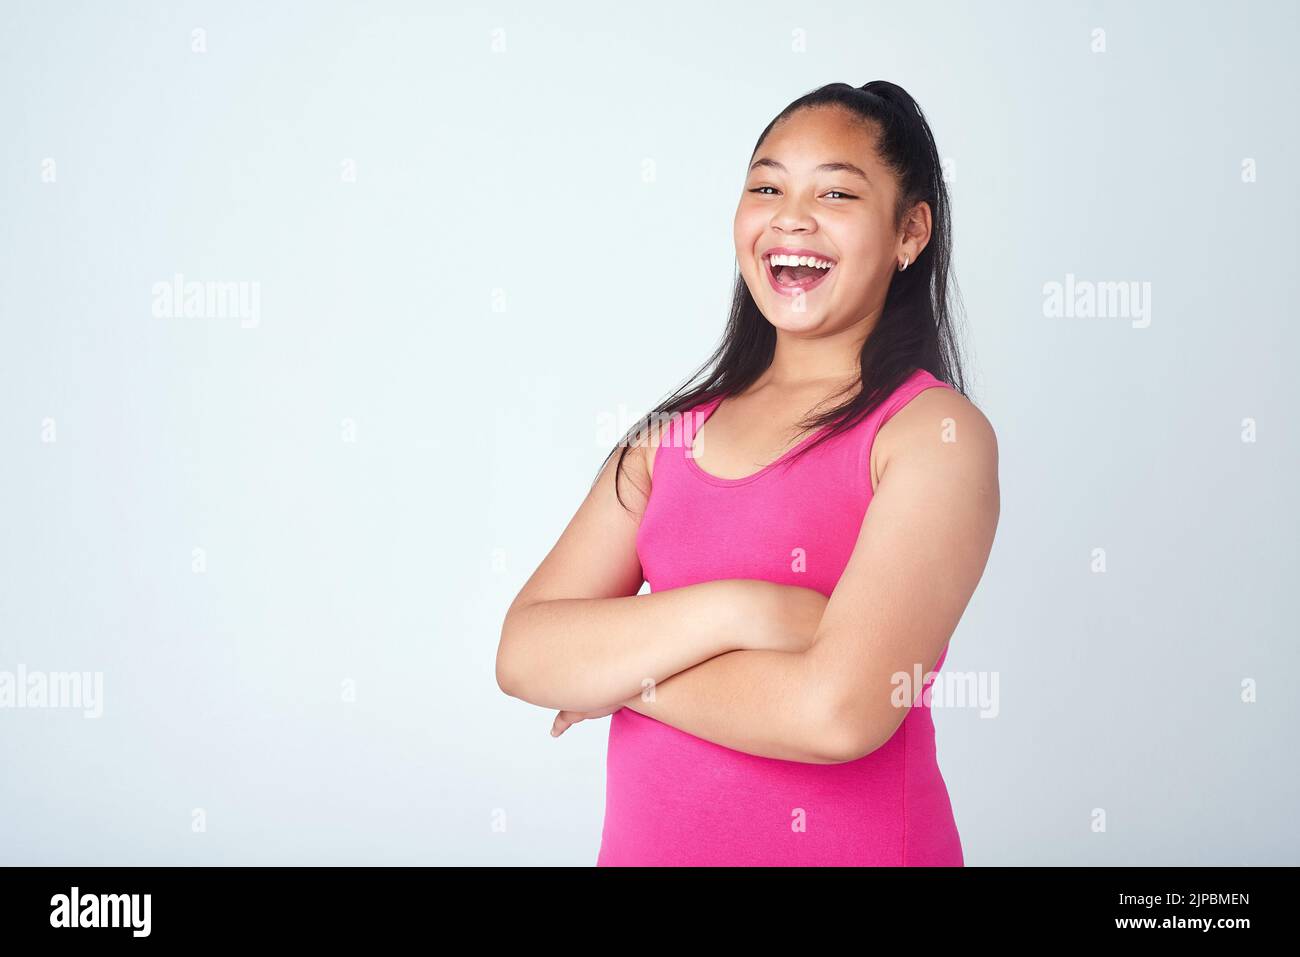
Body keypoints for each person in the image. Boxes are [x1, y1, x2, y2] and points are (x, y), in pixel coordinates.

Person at [496, 80, 1000, 866]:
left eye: (835, 191)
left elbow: (836, 713)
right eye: (767, 186)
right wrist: (749, 610)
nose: (791, 215)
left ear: (910, 231)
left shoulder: (933, 435)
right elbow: (525, 652)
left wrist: (624, 677)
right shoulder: (666, 439)